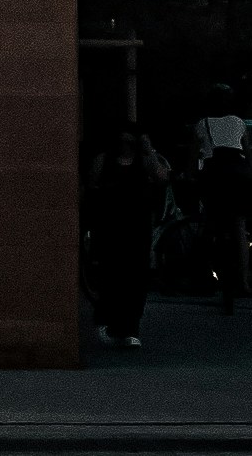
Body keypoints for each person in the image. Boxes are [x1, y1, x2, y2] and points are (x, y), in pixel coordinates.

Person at [84, 123, 171, 349]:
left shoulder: (144, 161)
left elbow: (161, 178)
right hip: (111, 225)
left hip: (138, 225)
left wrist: (148, 150)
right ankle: (109, 320)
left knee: (136, 276)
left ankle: (130, 328)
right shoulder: (105, 159)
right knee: (112, 273)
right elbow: (92, 186)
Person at [195, 94, 252, 314]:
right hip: (239, 178)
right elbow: (247, 153)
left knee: (209, 225)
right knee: (239, 227)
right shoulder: (239, 122)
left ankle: (203, 275)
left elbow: (198, 154)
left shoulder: (203, 123)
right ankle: (243, 279)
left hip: (215, 177)